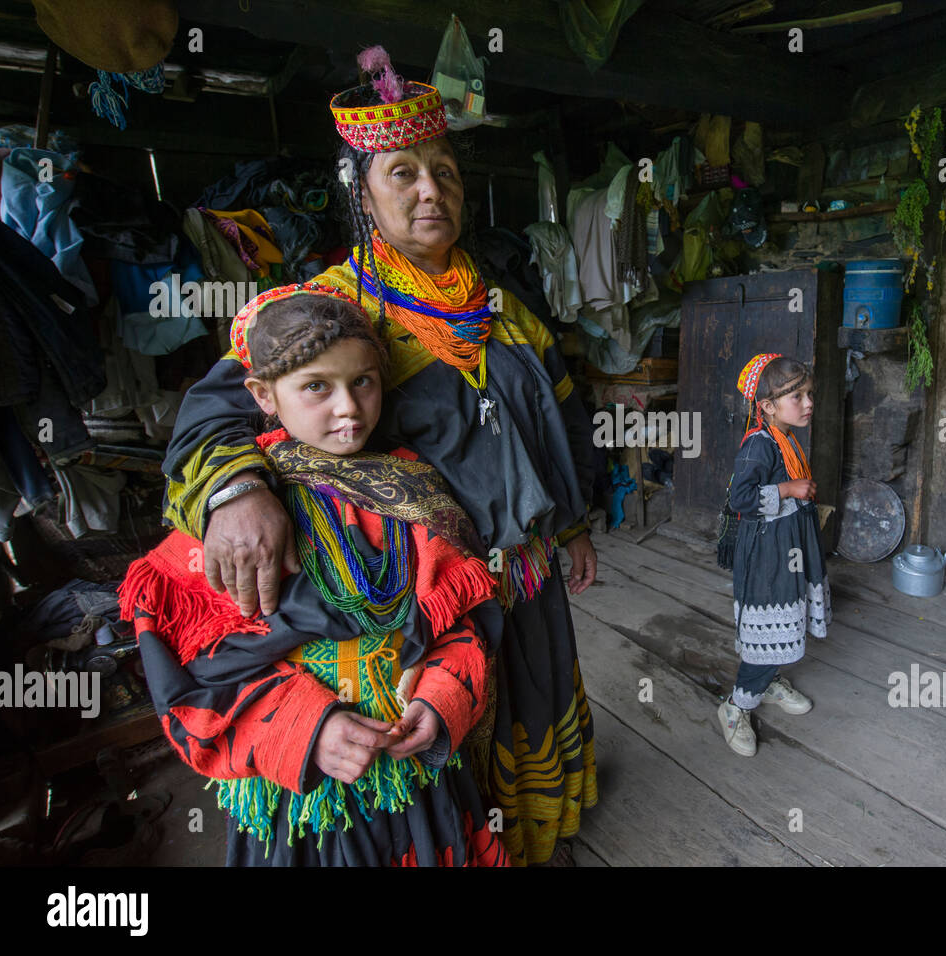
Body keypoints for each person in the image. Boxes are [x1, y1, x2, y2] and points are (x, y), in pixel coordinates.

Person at [159, 49, 597, 865]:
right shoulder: (329, 310)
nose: (432, 189)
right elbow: (219, 407)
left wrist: (573, 524)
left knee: (534, 696)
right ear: (364, 196)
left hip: (527, 565)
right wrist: (234, 494)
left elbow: (560, 421)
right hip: (432, 588)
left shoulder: (502, 307)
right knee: (443, 730)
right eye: (404, 173)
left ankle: (539, 836)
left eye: (446, 172)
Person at [123, 283, 508, 866]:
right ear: (263, 396)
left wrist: (440, 698)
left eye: (363, 381)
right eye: (315, 387)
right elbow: (190, 672)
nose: (348, 407)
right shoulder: (240, 521)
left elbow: (459, 619)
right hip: (302, 796)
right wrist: (306, 729)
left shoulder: (413, 488)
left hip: (413, 773)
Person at [718, 354, 832, 757]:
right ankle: (737, 704)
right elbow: (741, 499)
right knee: (768, 627)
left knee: (787, 617)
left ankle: (768, 681)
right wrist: (788, 490)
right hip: (767, 555)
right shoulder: (758, 445)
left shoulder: (785, 438)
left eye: (809, 394)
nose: (808, 402)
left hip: (788, 549)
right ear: (767, 407)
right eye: (797, 395)